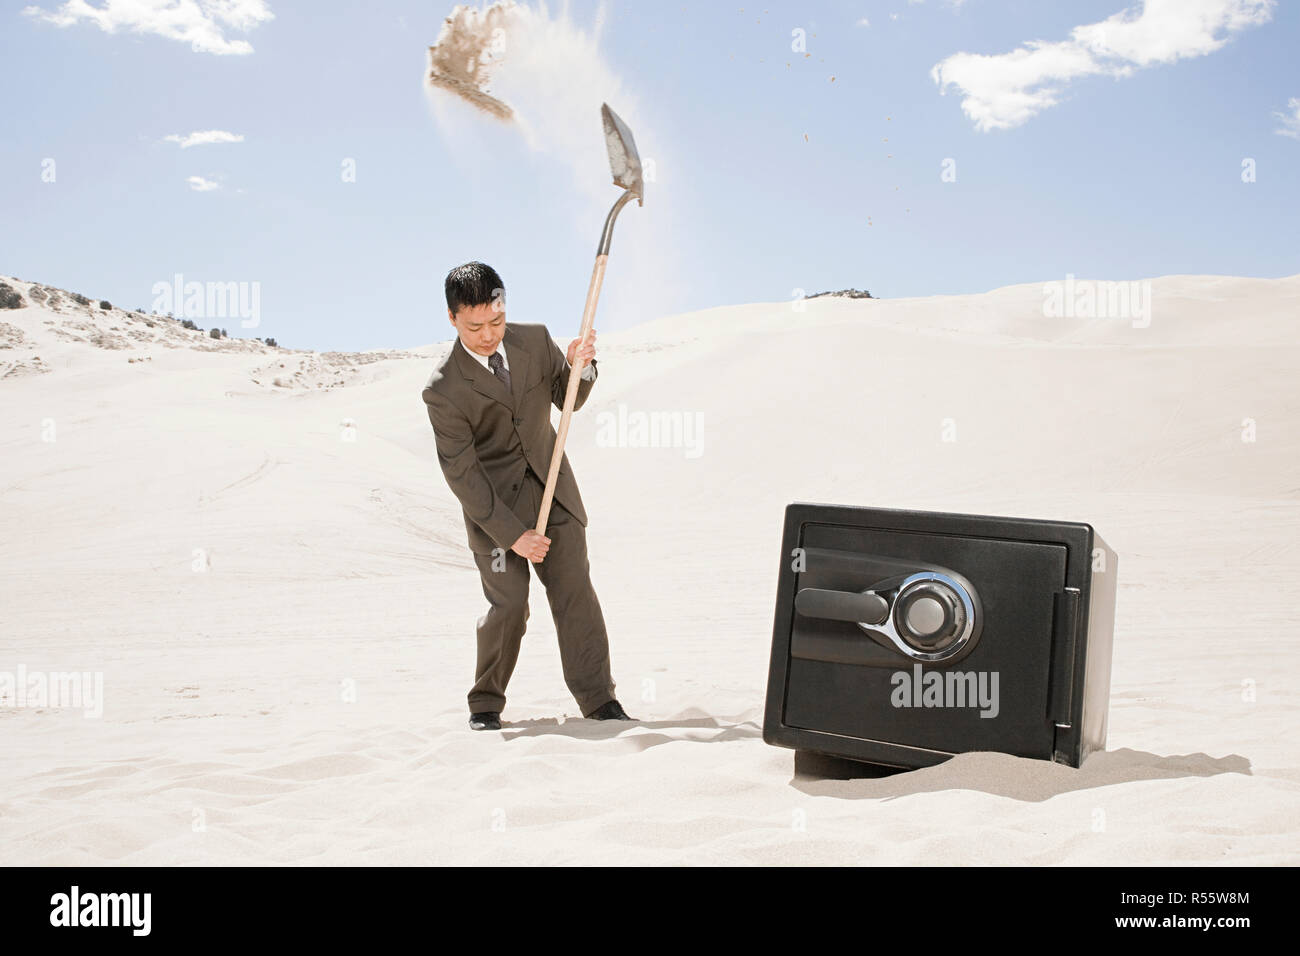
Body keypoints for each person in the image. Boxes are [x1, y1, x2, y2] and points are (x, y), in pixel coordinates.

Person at [421, 261, 632, 731]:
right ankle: (485, 703)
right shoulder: (443, 390)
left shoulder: (534, 340)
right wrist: (514, 536)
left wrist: (583, 366)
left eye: (496, 320)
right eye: (474, 326)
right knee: (510, 605)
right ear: (452, 318)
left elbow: (568, 398)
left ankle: (600, 701)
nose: (488, 335)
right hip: (495, 512)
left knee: (575, 594)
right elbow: (462, 475)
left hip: (554, 494)